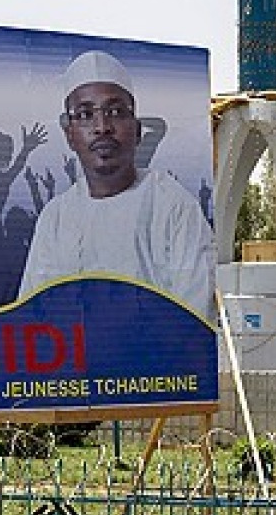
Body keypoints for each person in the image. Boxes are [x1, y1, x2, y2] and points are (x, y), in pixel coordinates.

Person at [18, 50, 215, 320]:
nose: (102, 127)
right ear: (69, 135)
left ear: (137, 130)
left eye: (115, 112)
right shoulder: (55, 218)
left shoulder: (173, 206)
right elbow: (34, 317)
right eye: (85, 114)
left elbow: (194, 319)